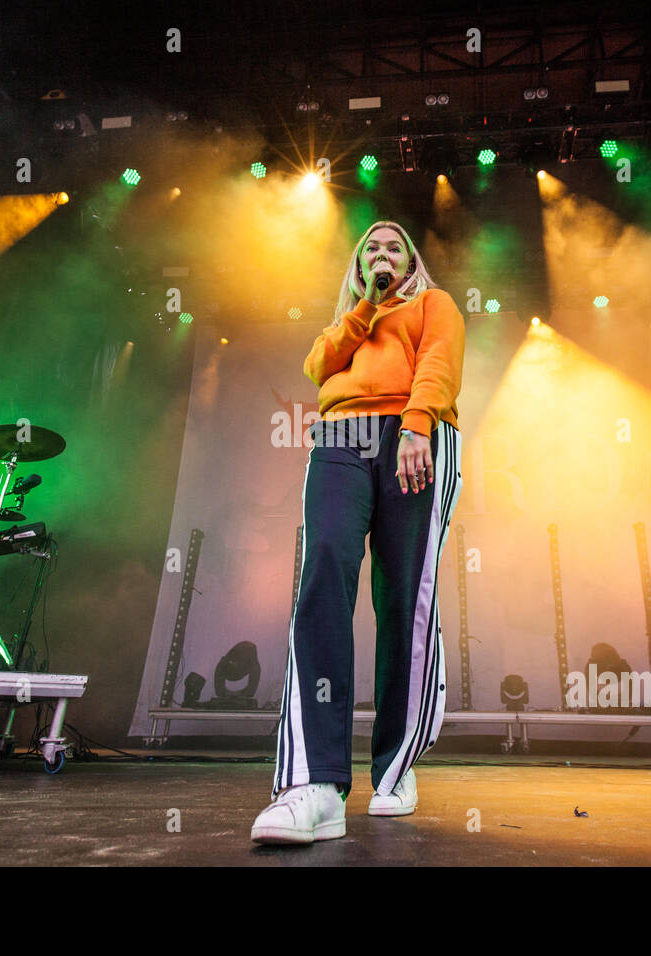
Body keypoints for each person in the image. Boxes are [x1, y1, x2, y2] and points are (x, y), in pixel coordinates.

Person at [252, 221, 465, 844]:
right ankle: (317, 783)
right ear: (359, 266)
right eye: (371, 248)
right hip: (342, 437)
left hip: (415, 432)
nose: (382, 254)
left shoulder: (434, 303)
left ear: (412, 262)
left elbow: (439, 363)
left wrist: (419, 426)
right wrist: (367, 305)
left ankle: (396, 767)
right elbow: (320, 366)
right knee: (322, 575)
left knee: (402, 600)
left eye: (394, 247)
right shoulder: (352, 316)